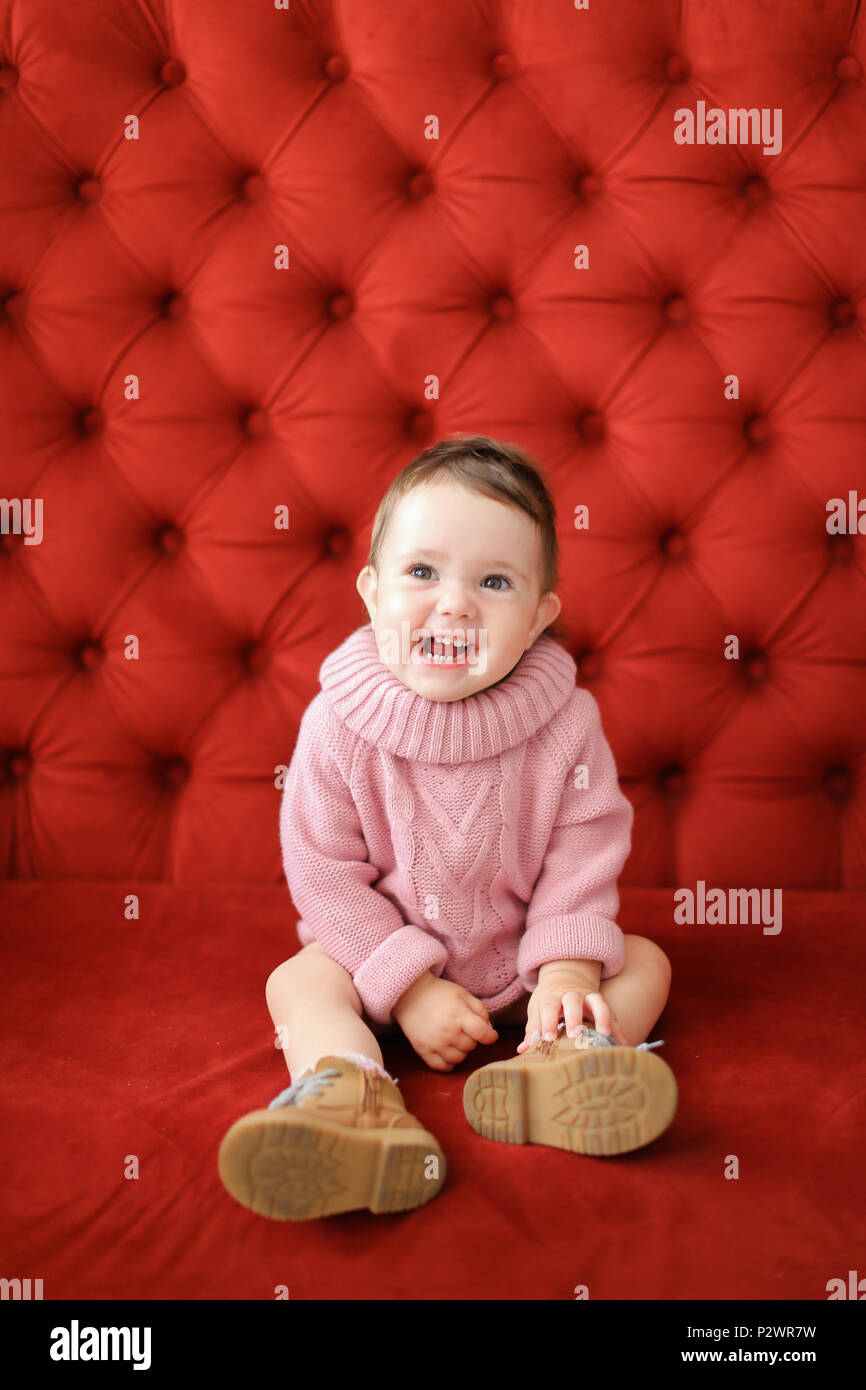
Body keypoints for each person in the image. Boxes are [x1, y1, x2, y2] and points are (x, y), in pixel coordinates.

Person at [218, 434, 676, 1221]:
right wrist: (411, 991)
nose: (455, 602)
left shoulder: (567, 724)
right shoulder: (338, 724)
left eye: (494, 581)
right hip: (380, 975)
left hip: (526, 977)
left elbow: (585, 850)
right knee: (297, 980)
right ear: (371, 592)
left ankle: (566, 1061)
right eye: (422, 572)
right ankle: (350, 1098)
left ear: (537, 618)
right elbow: (324, 874)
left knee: (644, 963)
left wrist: (565, 975)